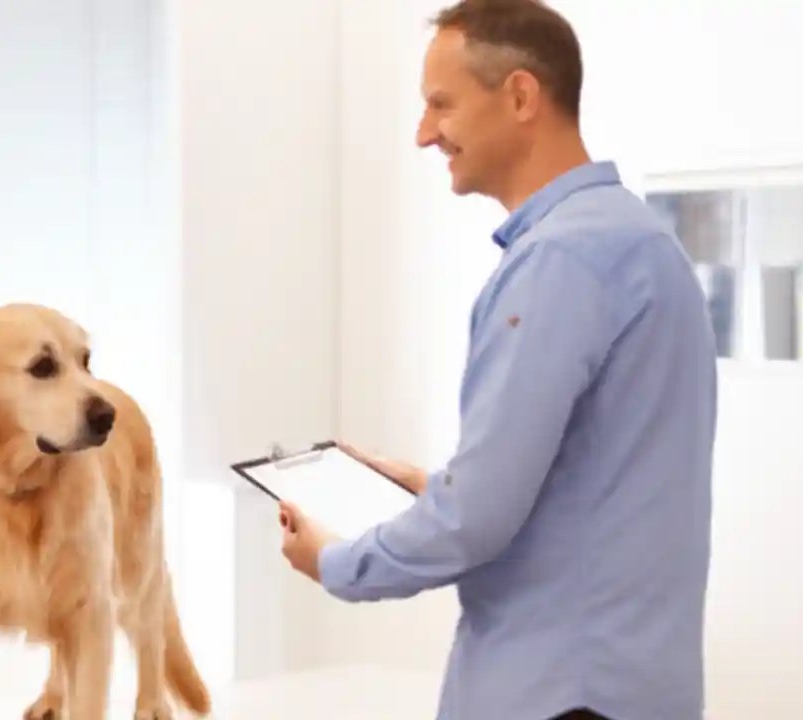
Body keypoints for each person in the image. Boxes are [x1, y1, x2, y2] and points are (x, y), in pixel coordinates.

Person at [277, 1, 717, 719]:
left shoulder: (559, 261)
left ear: (519, 96)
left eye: (440, 105)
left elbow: (476, 520)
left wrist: (335, 562)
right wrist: (429, 487)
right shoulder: (644, 245)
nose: (424, 134)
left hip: (558, 695)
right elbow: (598, 482)